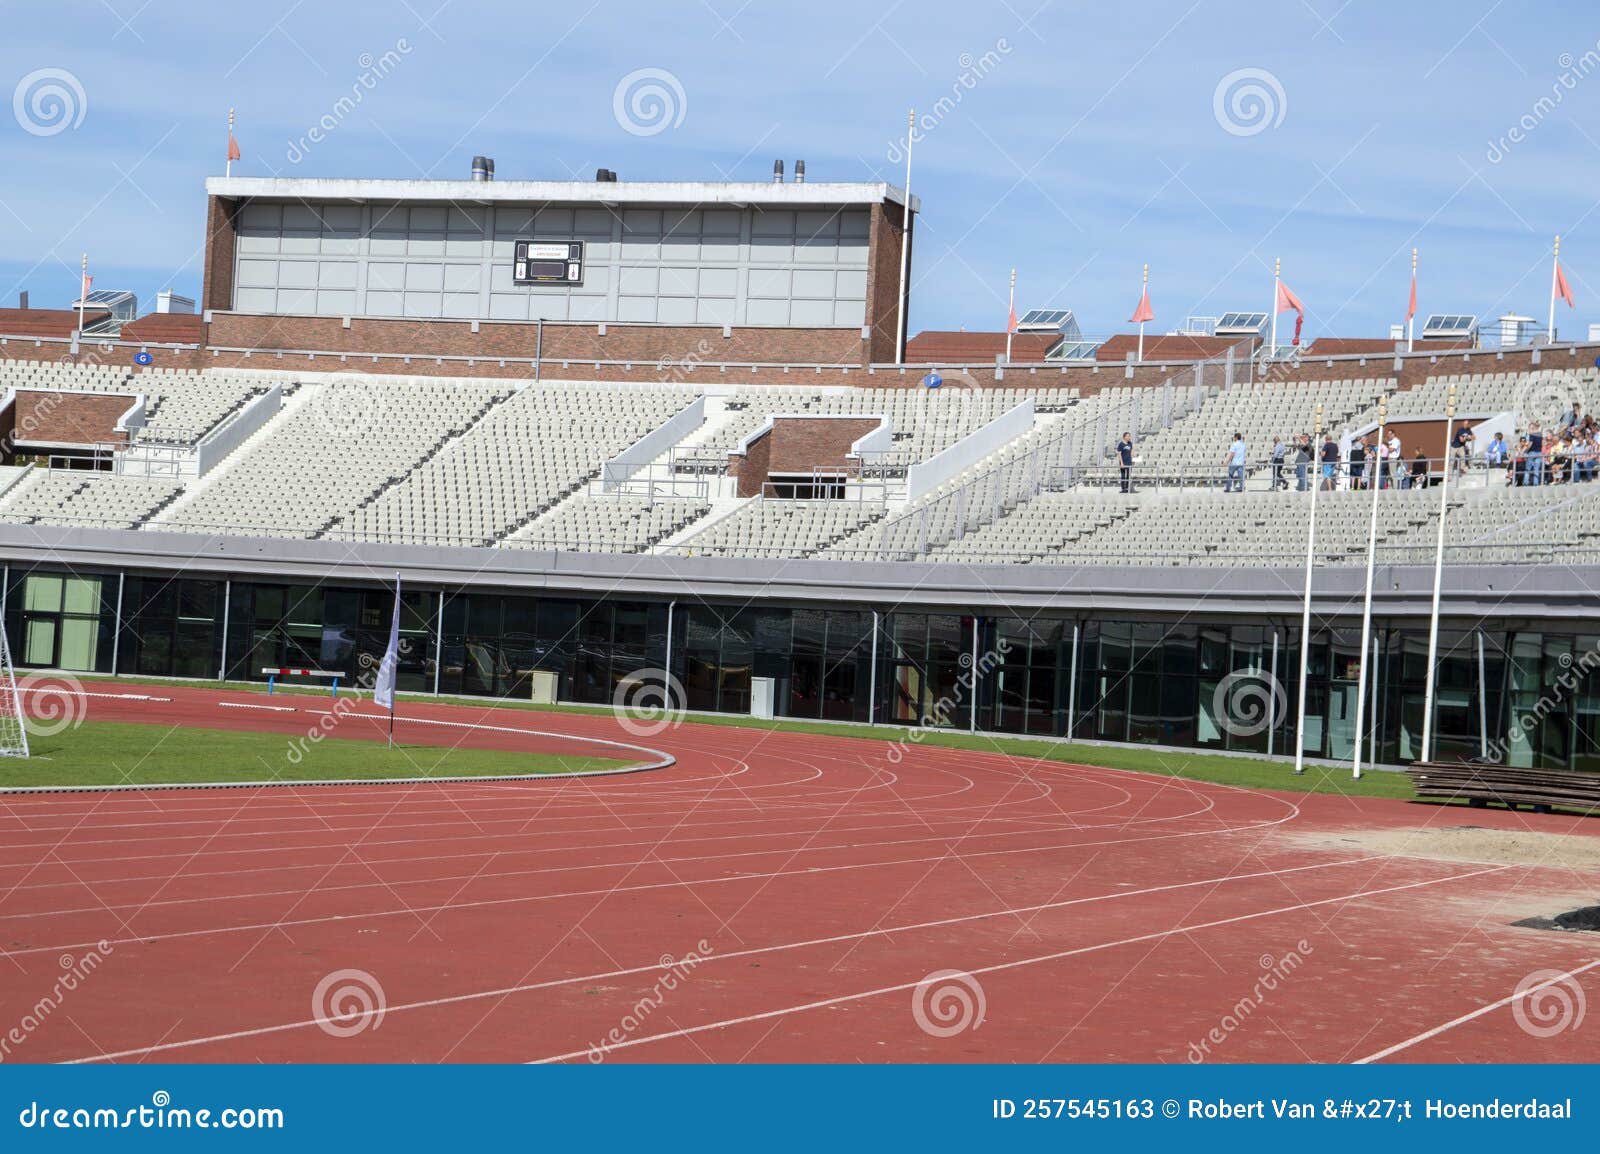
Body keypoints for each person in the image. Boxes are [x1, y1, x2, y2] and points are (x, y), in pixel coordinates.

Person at [1526, 421, 1545, 486]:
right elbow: (1542, 444)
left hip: (1532, 452)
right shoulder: (1540, 435)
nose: (1529, 430)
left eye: (1530, 428)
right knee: (1536, 468)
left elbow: (1530, 444)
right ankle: (1536, 483)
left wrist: (1526, 450)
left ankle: (1525, 482)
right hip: (1539, 453)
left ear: (1533, 428)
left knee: (1528, 468)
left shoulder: (1532, 435)